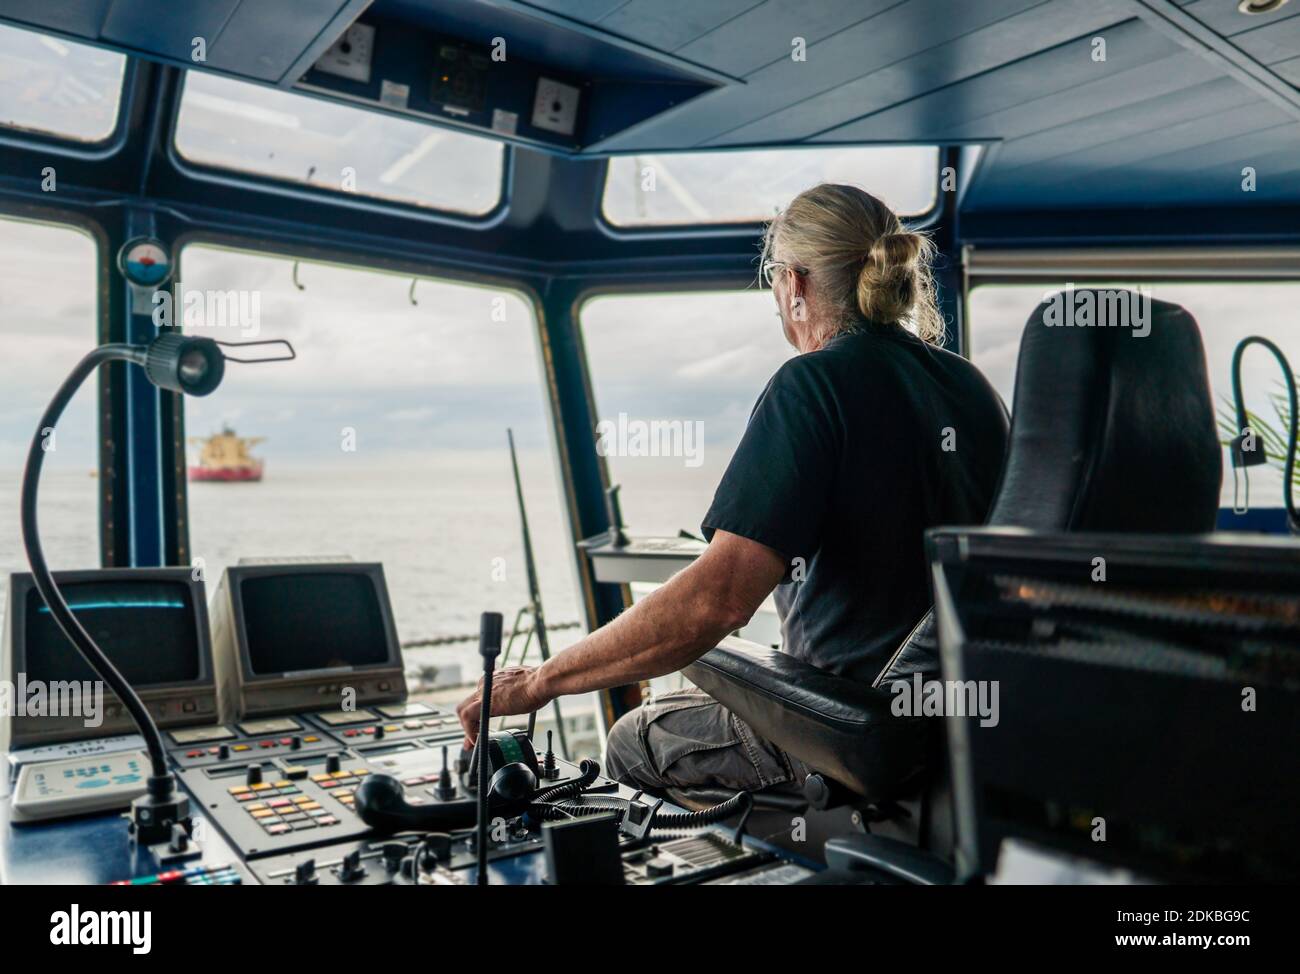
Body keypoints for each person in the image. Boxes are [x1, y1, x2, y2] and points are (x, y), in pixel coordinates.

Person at [456, 183, 1008, 803]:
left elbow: (714, 603)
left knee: (636, 739)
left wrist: (540, 682)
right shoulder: (972, 388)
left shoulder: (812, 385)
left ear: (794, 285)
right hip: (960, 719)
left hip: (849, 727)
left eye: (775, 281)